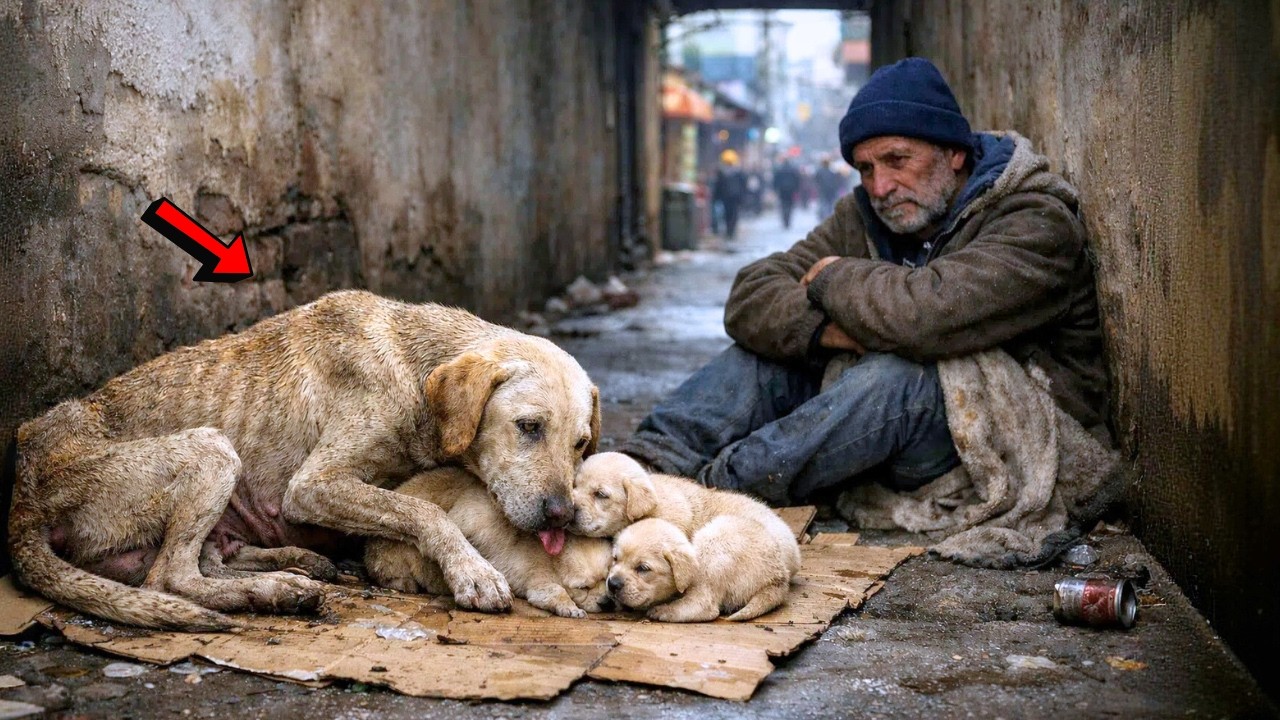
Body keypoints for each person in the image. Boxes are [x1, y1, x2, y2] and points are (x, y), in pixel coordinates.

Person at [619, 57, 1109, 507]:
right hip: (888, 432)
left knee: (904, 374)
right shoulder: (864, 216)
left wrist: (833, 275)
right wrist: (829, 331)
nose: (879, 187)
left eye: (898, 161)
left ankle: (705, 497)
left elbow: (924, 318)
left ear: (954, 154)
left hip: (1006, 435)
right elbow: (750, 296)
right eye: (866, 168)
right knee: (776, 348)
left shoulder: (1035, 221)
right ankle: (637, 473)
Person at [711, 149, 748, 239]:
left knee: (729, 214)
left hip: (727, 197)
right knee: (733, 214)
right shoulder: (738, 173)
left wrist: (716, 196)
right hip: (733, 197)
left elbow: (718, 186)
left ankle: (730, 230)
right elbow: (743, 186)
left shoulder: (723, 173)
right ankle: (731, 230)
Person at [771, 156, 801, 229]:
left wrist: (775, 189)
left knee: (783, 205)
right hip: (791, 190)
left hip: (782, 190)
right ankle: (788, 220)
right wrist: (796, 189)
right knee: (790, 205)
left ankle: (785, 220)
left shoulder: (779, 169)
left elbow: (775, 180)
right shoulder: (793, 170)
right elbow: (797, 179)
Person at [813, 155, 845, 220]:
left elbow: (816, 181)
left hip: (823, 190)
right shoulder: (832, 172)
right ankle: (829, 216)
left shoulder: (819, 172)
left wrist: (818, 187)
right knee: (830, 203)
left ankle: (823, 216)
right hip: (831, 190)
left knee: (823, 203)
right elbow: (837, 181)